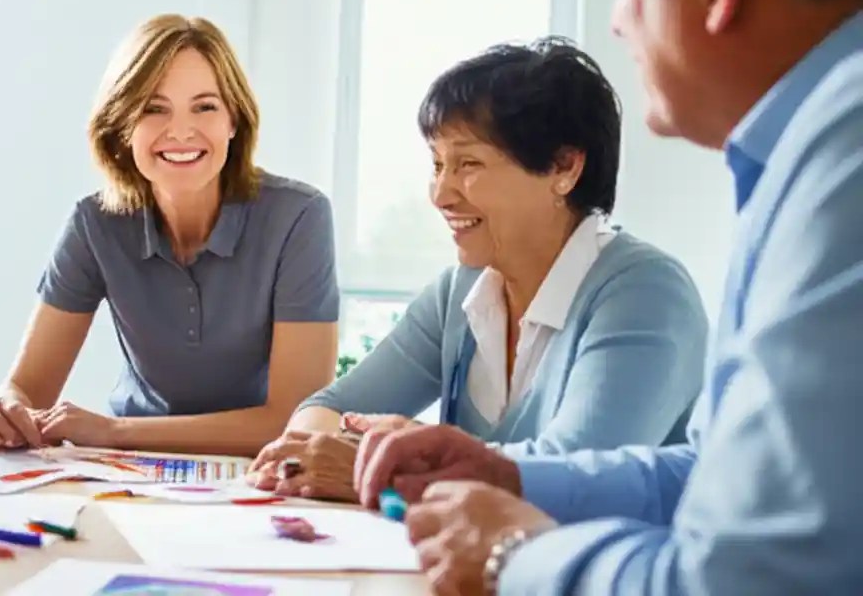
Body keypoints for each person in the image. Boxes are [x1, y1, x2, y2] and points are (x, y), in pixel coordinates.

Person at [355, 0, 863, 593]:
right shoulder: (801, 151)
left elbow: (756, 576)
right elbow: (717, 475)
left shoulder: (848, 154)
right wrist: (510, 474)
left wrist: (511, 558)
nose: (619, 18)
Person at [248, 39, 708, 502]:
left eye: (468, 163)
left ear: (564, 168)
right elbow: (327, 409)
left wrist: (386, 471)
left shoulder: (646, 294)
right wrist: (315, 452)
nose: (441, 194)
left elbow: (578, 477)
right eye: (437, 164)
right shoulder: (461, 292)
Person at [0, 14, 339, 457]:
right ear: (122, 125)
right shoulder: (95, 223)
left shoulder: (299, 217)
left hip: (257, 470)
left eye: (205, 107)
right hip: (129, 471)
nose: (181, 131)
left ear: (234, 120)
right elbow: (28, 389)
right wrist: (8, 407)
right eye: (153, 108)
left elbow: (293, 421)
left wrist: (115, 432)